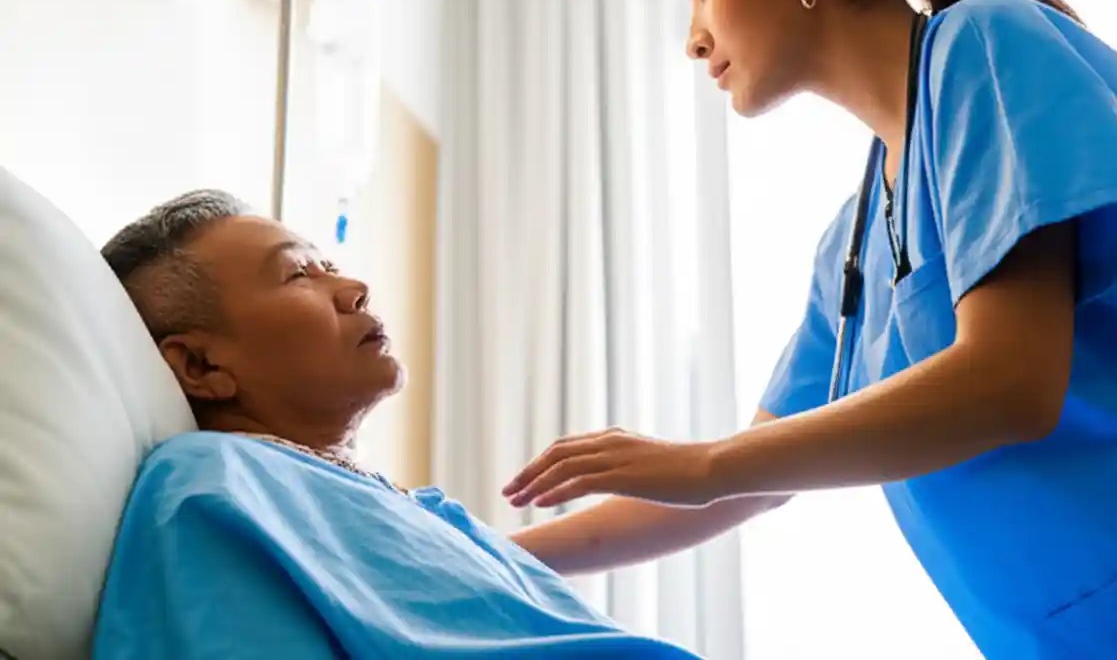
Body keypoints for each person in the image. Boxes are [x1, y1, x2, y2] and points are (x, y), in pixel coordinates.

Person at [505, 0, 1117, 657]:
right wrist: (476, 551)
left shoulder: (986, 45)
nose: (694, 38)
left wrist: (704, 463)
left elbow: (1012, 383)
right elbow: (748, 484)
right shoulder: (854, 245)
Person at [93, 191, 699, 659]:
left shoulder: (426, 514)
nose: (354, 288)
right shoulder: (209, 486)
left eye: (330, 265)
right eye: (299, 274)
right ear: (201, 365)